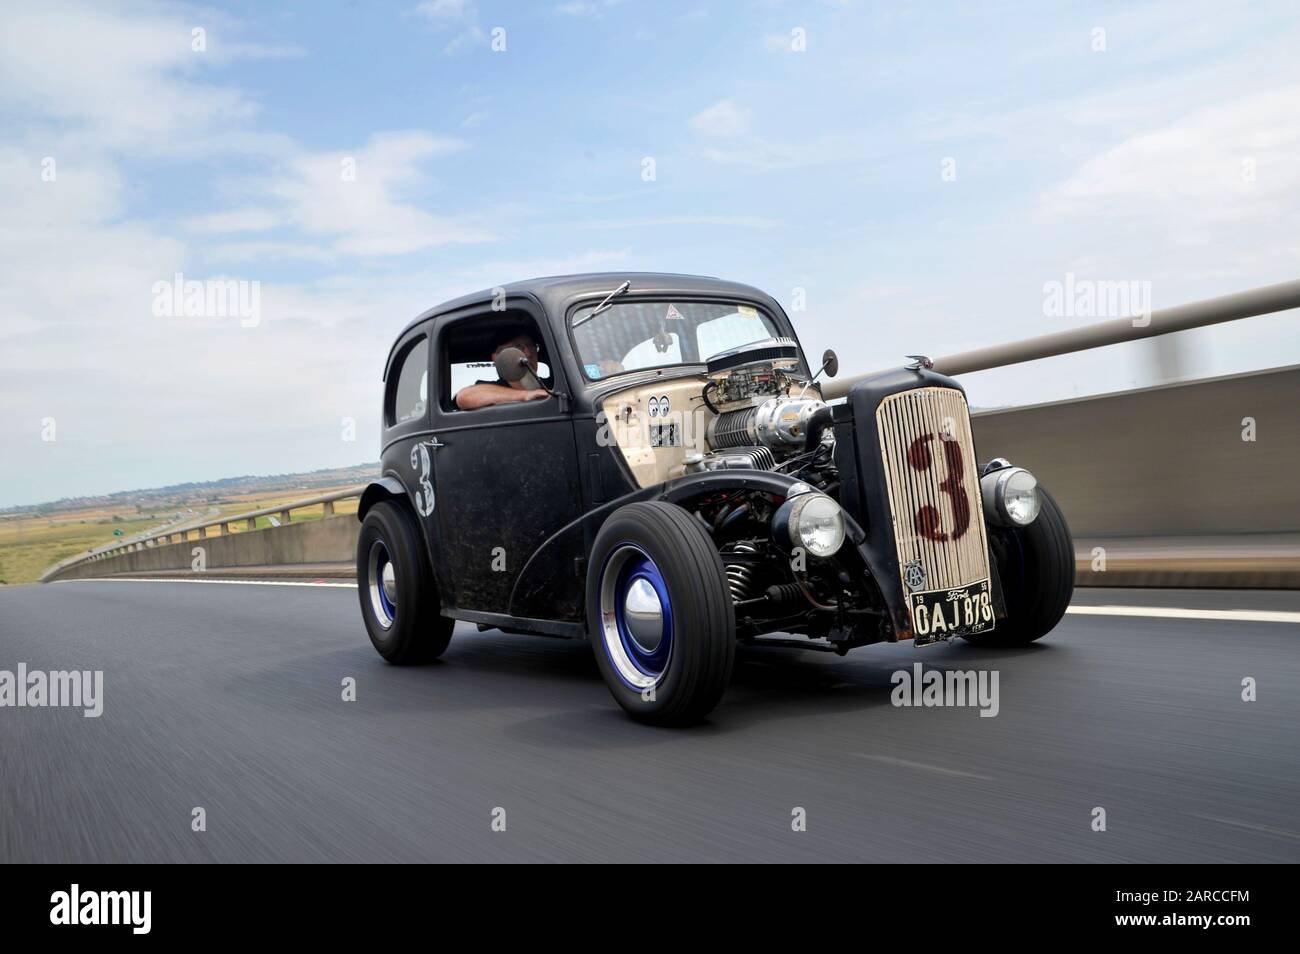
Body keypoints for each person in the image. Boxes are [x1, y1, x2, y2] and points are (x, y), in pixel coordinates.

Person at [454, 332, 551, 410]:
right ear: (497, 358)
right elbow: (464, 397)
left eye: (531, 346)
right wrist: (525, 395)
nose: (529, 353)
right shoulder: (490, 389)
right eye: (517, 348)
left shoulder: (551, 385)